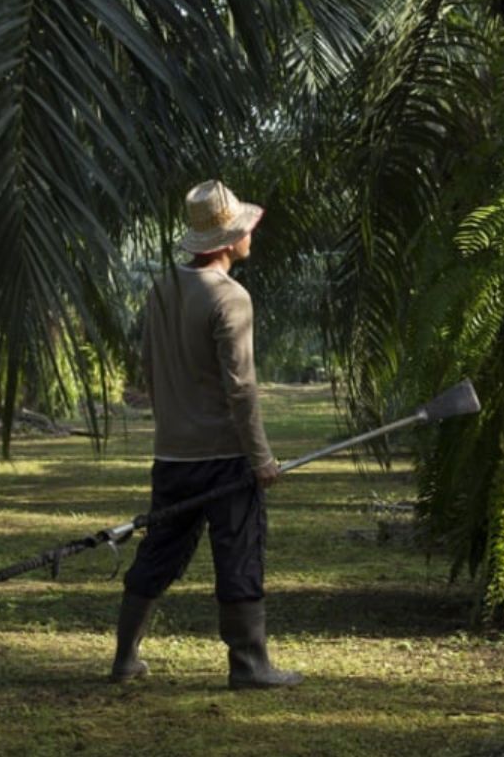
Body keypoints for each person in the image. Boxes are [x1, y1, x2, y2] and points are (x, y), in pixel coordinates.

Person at [108, 180, 302, 690]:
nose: (250, 234)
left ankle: (125, 656)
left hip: (172, 455)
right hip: (223, 456)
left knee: (159, 551)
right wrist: (260, 458)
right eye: (244, 229)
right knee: (239, 551)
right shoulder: (230, 298)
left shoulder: (162, 289)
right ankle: (250, 665)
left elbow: (149, 368)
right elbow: (242, 389)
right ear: (226, 242)